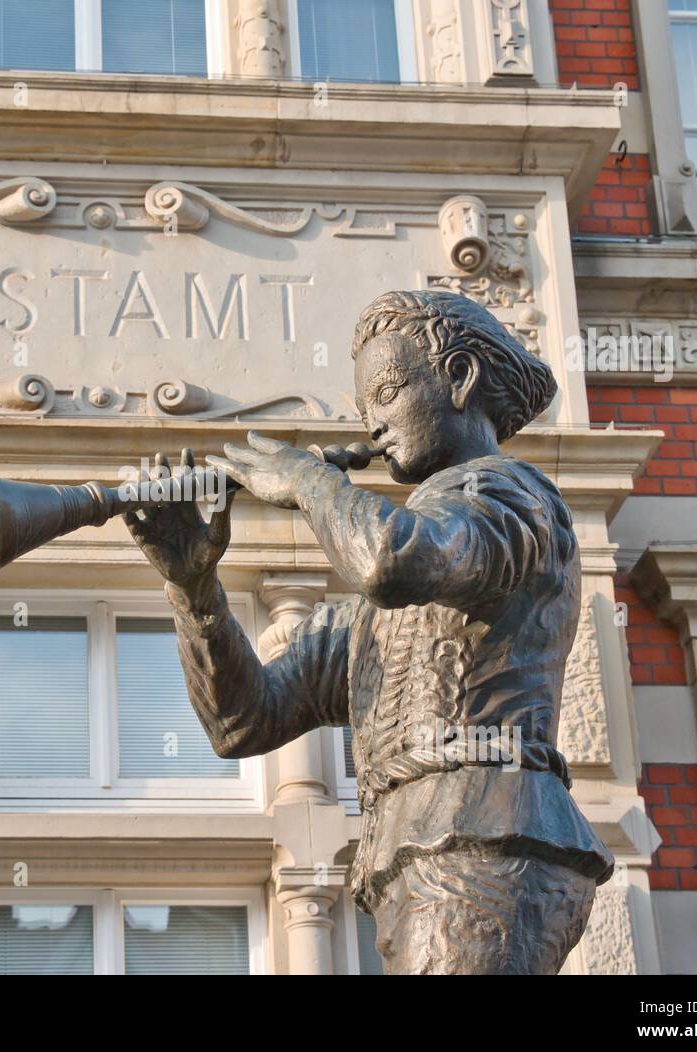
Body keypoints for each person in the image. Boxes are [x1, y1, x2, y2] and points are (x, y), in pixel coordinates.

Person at [123, 289, 613, 974]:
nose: (375, 424)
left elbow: (390, 558)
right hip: (419, 858)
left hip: (487, 837)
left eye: (388, 391)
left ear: (460, 377)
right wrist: (194, 587)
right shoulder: (374, 621)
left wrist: (306, 480)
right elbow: (242, 721)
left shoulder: (505, 492)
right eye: (364, 410)